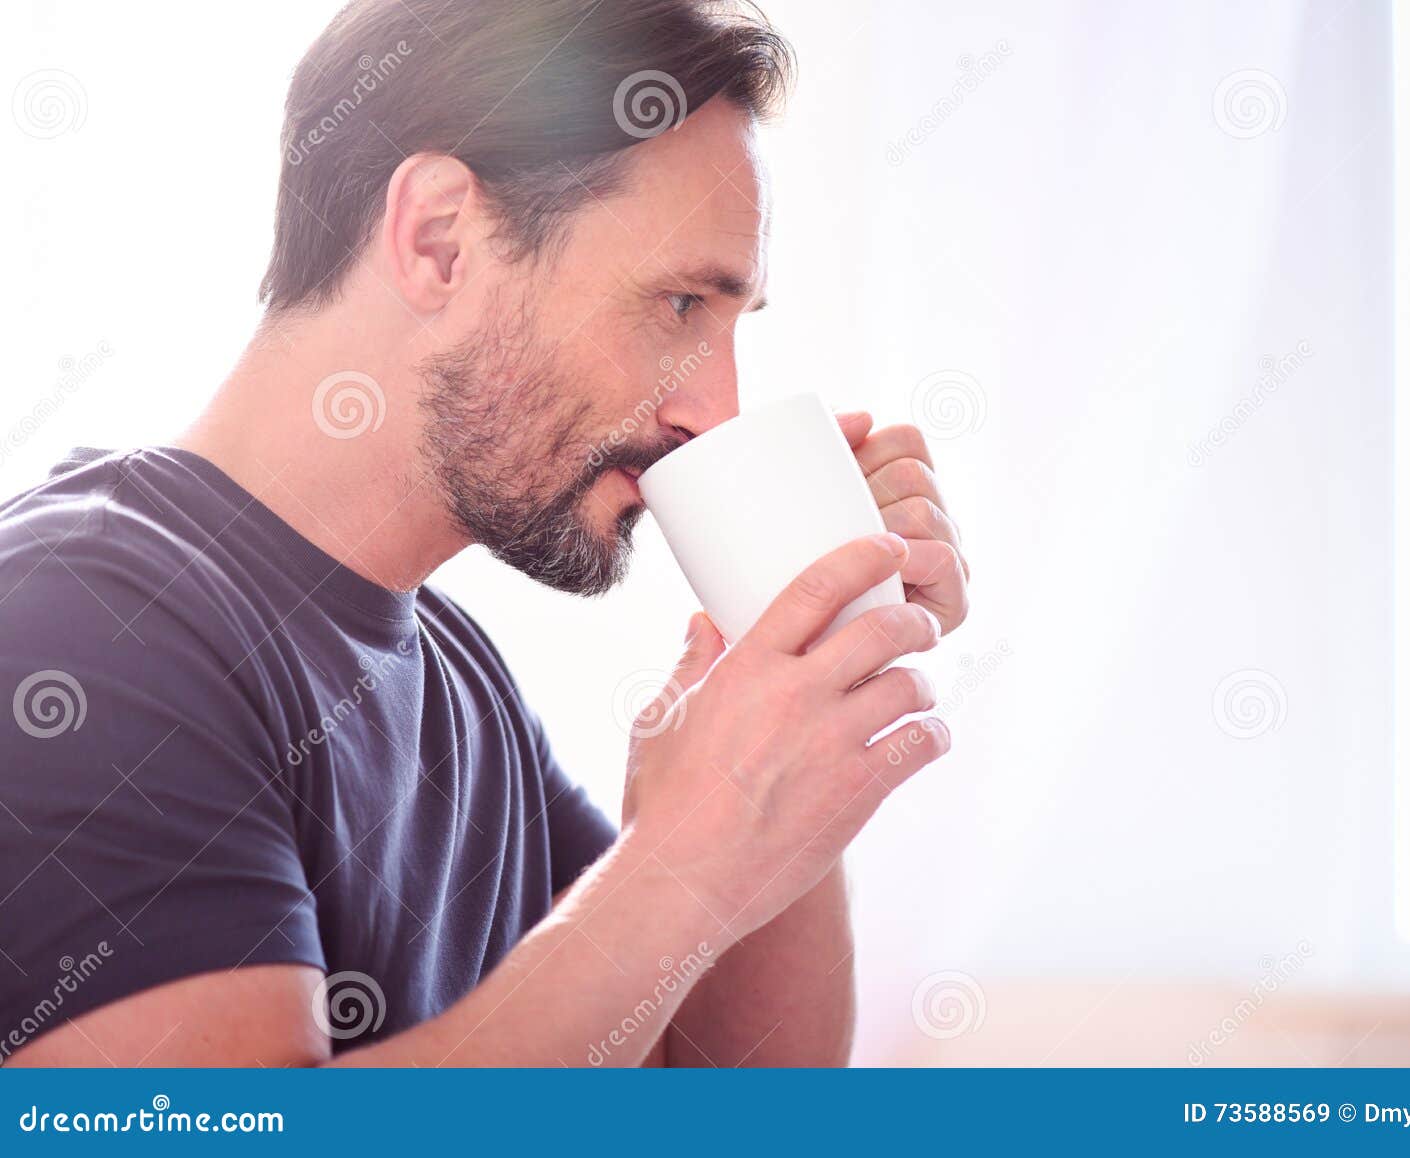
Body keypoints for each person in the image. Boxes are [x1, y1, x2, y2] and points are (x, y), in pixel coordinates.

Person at [0, 0, 969, 1066]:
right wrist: (686, 863)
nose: (715, 410)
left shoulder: (457, 678)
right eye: (682, 305)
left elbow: (730, 1104)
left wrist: (795, 664)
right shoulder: (77, 623)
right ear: (440, 239)